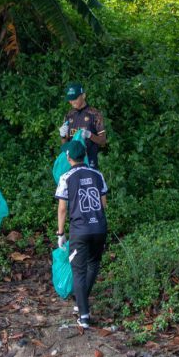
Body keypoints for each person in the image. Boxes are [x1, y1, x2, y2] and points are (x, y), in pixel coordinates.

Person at [55, 141, 109, 328]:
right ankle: (82, 302)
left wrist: (60, 233)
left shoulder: (66, 177)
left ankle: (84, 315)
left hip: (80, 231)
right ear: (84, 156)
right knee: (93, 263)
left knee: (78, 270)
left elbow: (62, 208)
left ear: (68, 157)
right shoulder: (97, 174)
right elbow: (104, 204)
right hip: (99, 228)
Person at [58, 81, 108, 169]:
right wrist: (62, 136)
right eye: (70, 99)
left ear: (83, 96)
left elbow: (103, 141)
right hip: (72, 163)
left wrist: (90, 135)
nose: (72, 102)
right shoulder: (69, 115)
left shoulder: (95, 114)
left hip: (90, 160)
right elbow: (65, 145)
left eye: (75, 98)